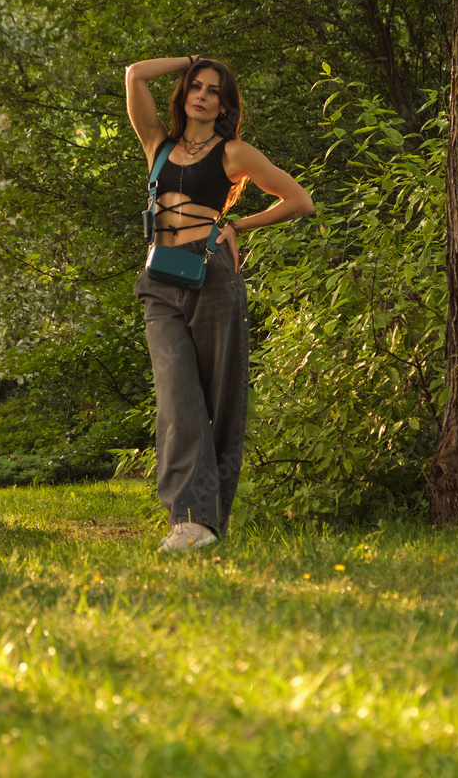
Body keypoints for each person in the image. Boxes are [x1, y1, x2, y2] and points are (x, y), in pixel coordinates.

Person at [126, 55, 314, 553]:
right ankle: (188, 522)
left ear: (225, 105)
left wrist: (237, 225)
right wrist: (191, 59)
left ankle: (208, 524)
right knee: (177, 400)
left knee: (223, 402)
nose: (203, 94)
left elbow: (299, 200)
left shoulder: (234, 154)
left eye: (214, 90)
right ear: (185, 91)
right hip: (159, 280)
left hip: (211, 276)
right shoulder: (158, 145)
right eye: (196, 85)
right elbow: (135, 75)